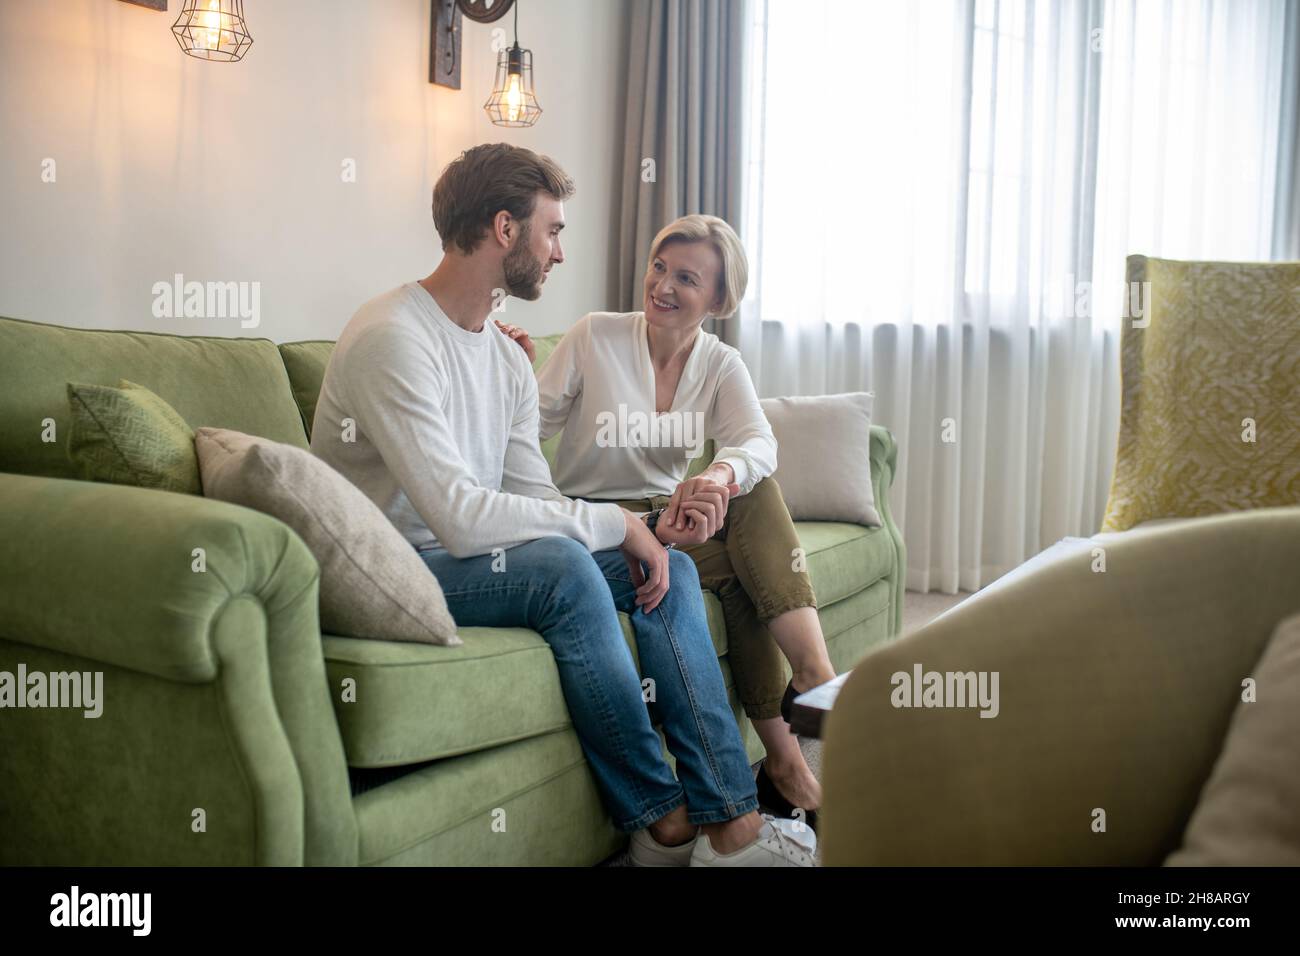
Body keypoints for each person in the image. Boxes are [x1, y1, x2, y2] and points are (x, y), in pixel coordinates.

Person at [311, 145, 812, 867]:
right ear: (505, 230)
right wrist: (615, 522)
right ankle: (661, 814)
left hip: (471, 552)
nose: (561, 253)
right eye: (553, 232)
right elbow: (457, 515)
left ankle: (730, 823)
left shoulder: (505, 356)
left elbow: (530, 495)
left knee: (664, 568)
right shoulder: (393, 336)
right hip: (402, 560)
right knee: (563, 571)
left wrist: (640, 535)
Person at [500, 214, 837, 830]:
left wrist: (716, 479)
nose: (662, 285)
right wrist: (513, 376)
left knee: (750, 498)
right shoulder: (595, 335)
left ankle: (807, 699)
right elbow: (526, 430)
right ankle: (797, 733)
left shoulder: (719, 361)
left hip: (674, 521)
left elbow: (758, 443)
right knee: (742, 557)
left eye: (686, 277)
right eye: (659, 267)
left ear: (718, 297)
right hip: (600, 527)